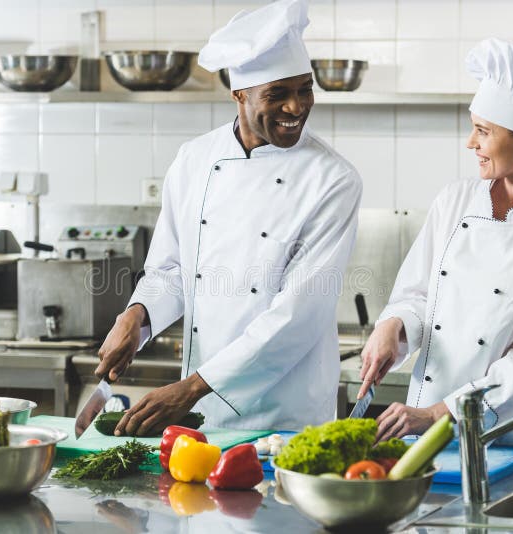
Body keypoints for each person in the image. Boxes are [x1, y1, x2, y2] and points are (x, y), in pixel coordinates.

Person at [90, 0, 362, 437]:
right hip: (203, 414)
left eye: (304, 89)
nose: (296, 107)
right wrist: (136, 317)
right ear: (239, 94)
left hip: (286, 415)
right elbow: (171, 269)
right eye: (277, 94)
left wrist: (193, 387)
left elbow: (299, 315)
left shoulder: (332, 178)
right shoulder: (195, 159)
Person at [358, 38, 513, 456]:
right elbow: (417, 295)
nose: (470, 143)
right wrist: (393, 326)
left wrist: (439, 414)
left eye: (483, 131)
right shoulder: (455, 200)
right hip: (422, 443)